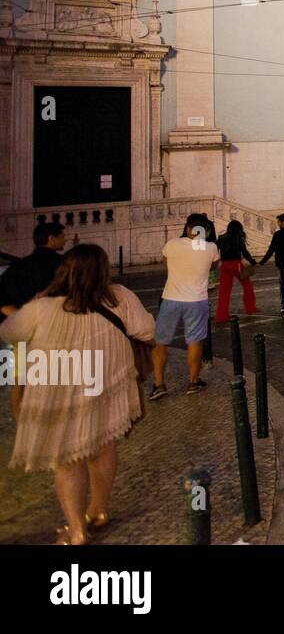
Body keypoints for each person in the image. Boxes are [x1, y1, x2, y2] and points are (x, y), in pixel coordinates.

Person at [0, 245, 155, 544]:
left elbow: (9, 332)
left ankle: (77, 531)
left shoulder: (42, 308)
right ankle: (97, 510)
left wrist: (36, 300)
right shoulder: (119, 297)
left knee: (68, 461)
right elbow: (146, 331)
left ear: (64, 272)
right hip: (104, 388)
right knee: (103, 448)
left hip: (59, 395)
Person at [152, 212, 219, 400]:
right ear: (204, 230)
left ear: (187, 228)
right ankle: (193, 381)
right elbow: (213, 267)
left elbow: (166, 265)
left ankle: (158, 385)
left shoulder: (171, 244)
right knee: (194, 342)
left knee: (161, 342)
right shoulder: (211, 248)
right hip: (197, 301)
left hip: (171, 298)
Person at [0, 221, 67, 324]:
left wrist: (21, 319)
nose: (65, 240)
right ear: (51, 239)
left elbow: (3, 299)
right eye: (62, 237)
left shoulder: (17, 266)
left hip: (23, 329)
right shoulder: (63, 264)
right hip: (54, 324)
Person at [214, 220, 258, 324]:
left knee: (224, 292)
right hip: (236, 265)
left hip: (225, 265)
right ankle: (250, 308)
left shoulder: (221, 238)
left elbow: (214, 249)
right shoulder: (238, 237)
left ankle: (221, 316)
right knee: (247, 287)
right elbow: (245, 253)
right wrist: (253, 262)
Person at [258, 213, 284, 314]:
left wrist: (262, 262)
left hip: (281, 263)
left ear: (283, 222)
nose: (277, 224)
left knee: (283, 284)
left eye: (278, 221)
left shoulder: (277, 234)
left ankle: (283, 305)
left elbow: (271, 250)